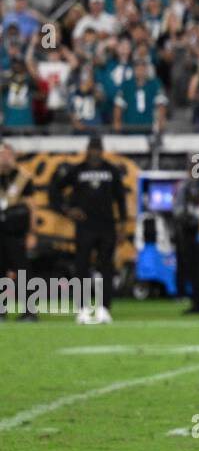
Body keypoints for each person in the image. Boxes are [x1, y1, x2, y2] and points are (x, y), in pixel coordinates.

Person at [53, 135, 127, 324]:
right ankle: (83, 308)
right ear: (87, 150)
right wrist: (67, 210)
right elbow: (54, 190)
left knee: (106, 267)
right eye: (92, 149)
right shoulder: (77, 170)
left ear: (102, 151)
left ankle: (104, 308)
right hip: (85, 227)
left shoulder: (111, 171)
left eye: (97, 149)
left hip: (106, 226)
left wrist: (123, 224)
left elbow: (121, 198)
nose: (94, 152)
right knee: (81, 267)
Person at [0, 142, 37, 321]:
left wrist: (32, 232)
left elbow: (31, 206)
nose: (4, 158)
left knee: (23, 272)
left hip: (16, 232)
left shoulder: (22, 177)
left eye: (7, 155)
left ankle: (30, 311)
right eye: (1, 155)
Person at [174, 170, 199, 315]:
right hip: (188, 230)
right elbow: (177, 209)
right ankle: (195, 300)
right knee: (191, 266)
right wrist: (185, 218)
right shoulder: (183, 186)